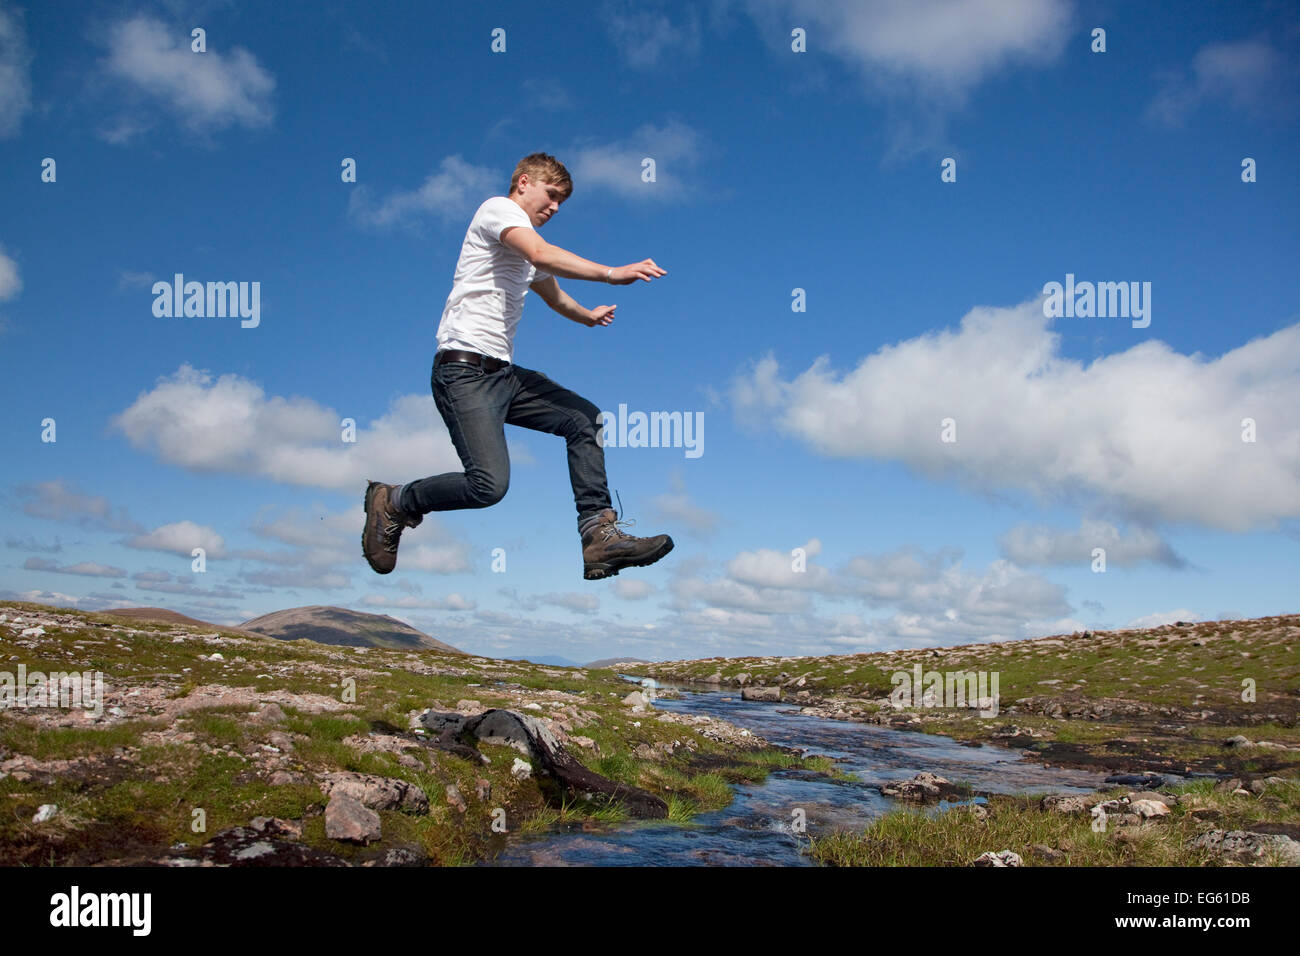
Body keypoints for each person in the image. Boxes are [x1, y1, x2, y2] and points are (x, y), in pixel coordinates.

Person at [362, 152, 674, 581]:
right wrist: (611, 272)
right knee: (487, 486)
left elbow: (556, 296)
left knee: (584, 418)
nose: (555, 207)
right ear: (524, 182)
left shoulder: (527, 253)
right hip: (463, 371)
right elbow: (542, 255)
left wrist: (588, 315)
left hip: (503, 375)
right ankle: (395, 500)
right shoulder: (498, 211)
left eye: (562, 202)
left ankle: (597, 535)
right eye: (551, 195)